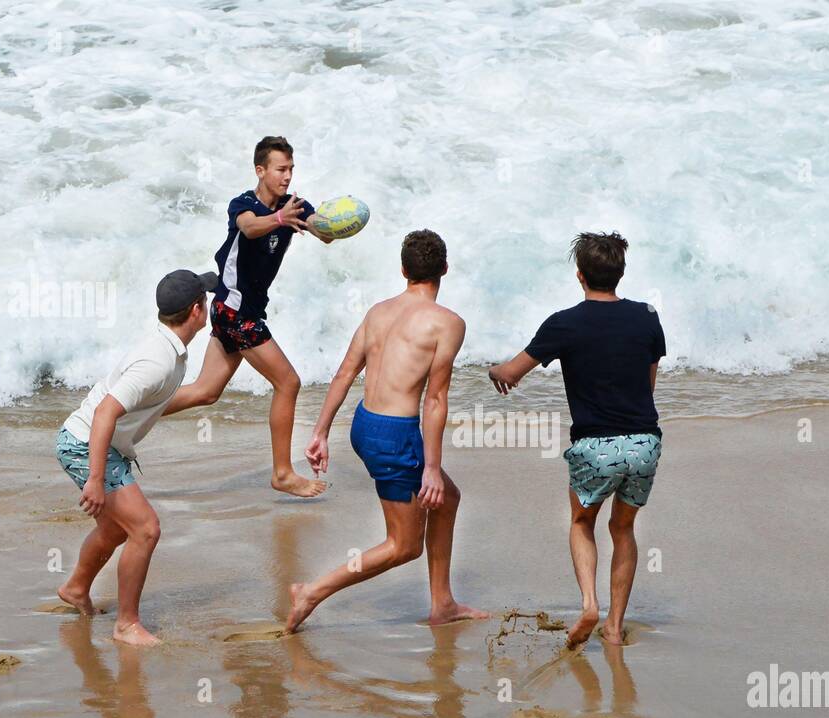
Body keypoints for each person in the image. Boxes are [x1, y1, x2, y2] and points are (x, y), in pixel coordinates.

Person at [285, 230, 487, 631]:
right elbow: (434, 400)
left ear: (403, 270)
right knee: (403, 545)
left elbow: (345, 372)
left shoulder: (378, 311)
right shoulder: (448, 324)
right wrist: (431, 466)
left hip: (364, 424)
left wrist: (320, 432)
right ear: (444, 269)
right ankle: (312, 591)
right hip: (396, 435)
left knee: (447, 500)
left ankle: (442, 603)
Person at [489, 232, 666, 649]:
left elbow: (512, 374)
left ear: (580, 275)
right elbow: (649, 382)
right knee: (623, 529)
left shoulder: (564, 322)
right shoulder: (647, 316)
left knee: (582, 521)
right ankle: (613, 626)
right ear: (619, 274)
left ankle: (589, 604)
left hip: (595, 445)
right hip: (644, 441)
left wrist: (494, 371)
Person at [163, 135, 332, 498]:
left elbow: (320, 229)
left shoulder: (293, 205)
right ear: (261, 170)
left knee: (206, 392)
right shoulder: (244, 204)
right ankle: (283, 473)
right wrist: (279, 218)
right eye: (280, 169)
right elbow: (250, 227)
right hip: (235, 311)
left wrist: (334, 224)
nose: (287, 177)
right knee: (288, 383)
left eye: (291, 169)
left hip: (235, 311)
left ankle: (133, 411)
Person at [55, 269, 217, 646]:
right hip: (86, 443)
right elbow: (105, 412)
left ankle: (76, 587)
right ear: (196, 310)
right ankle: (127, 624)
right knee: (145, 529)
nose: (207, 306)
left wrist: (205, 392)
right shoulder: (158, 359)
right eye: (205, 301)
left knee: (115, 530)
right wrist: (95, 479)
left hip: (94, 441)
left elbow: (149, 401)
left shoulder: (168, 350)